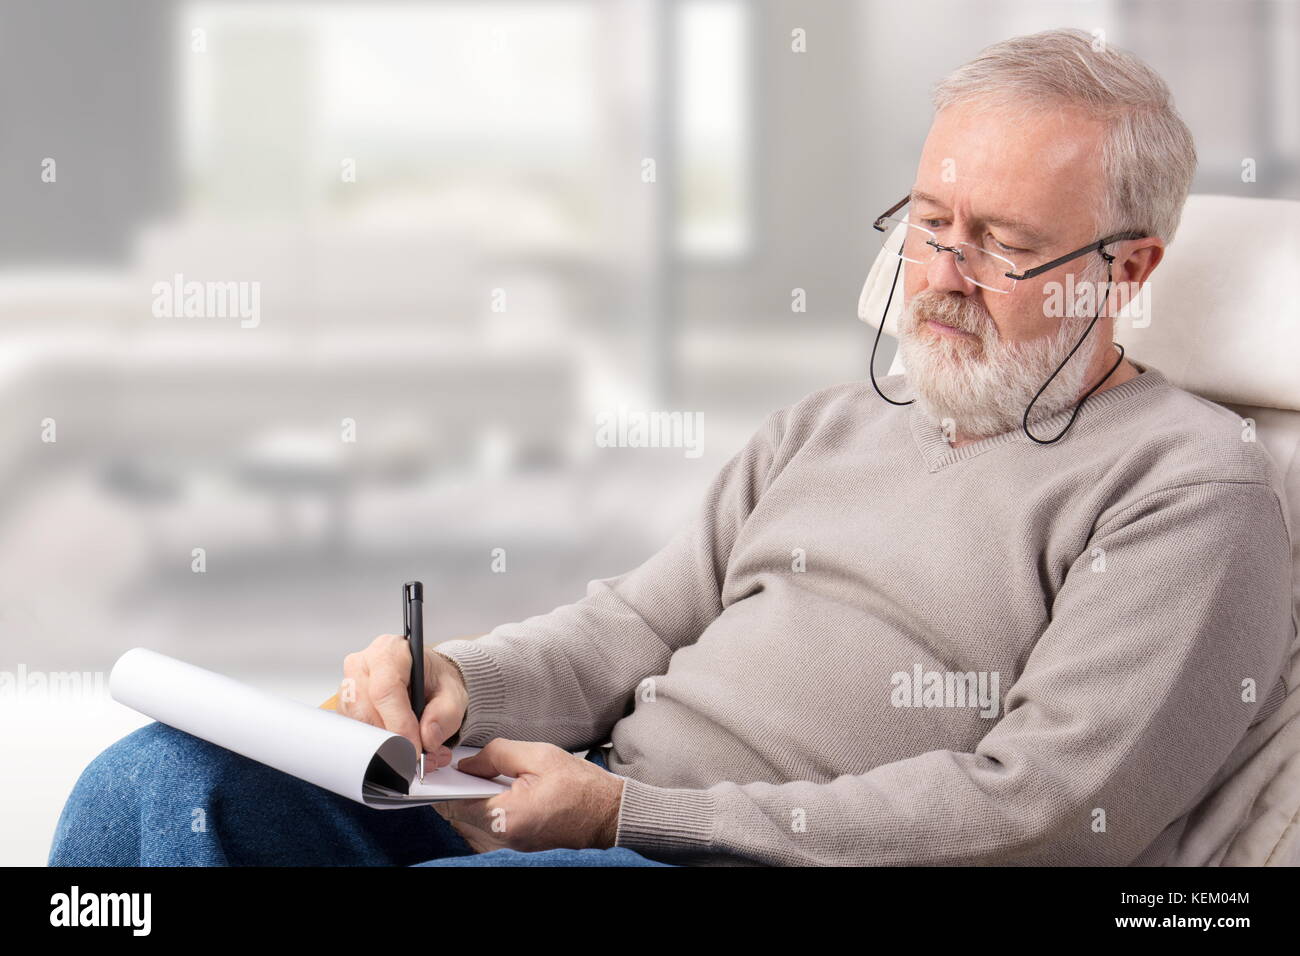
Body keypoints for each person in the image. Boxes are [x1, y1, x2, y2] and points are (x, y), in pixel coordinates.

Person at [50, 26, 1294, 867]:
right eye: (927, 223)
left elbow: (1048, 809)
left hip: (729, 856)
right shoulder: (828, 424)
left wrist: (632, 809)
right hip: (574, 804)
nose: (941, 275)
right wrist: (460, 682)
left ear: (1128, 270)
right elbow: (627, 630)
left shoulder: (1188, 488)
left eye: (1001, 243)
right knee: (153, 786)